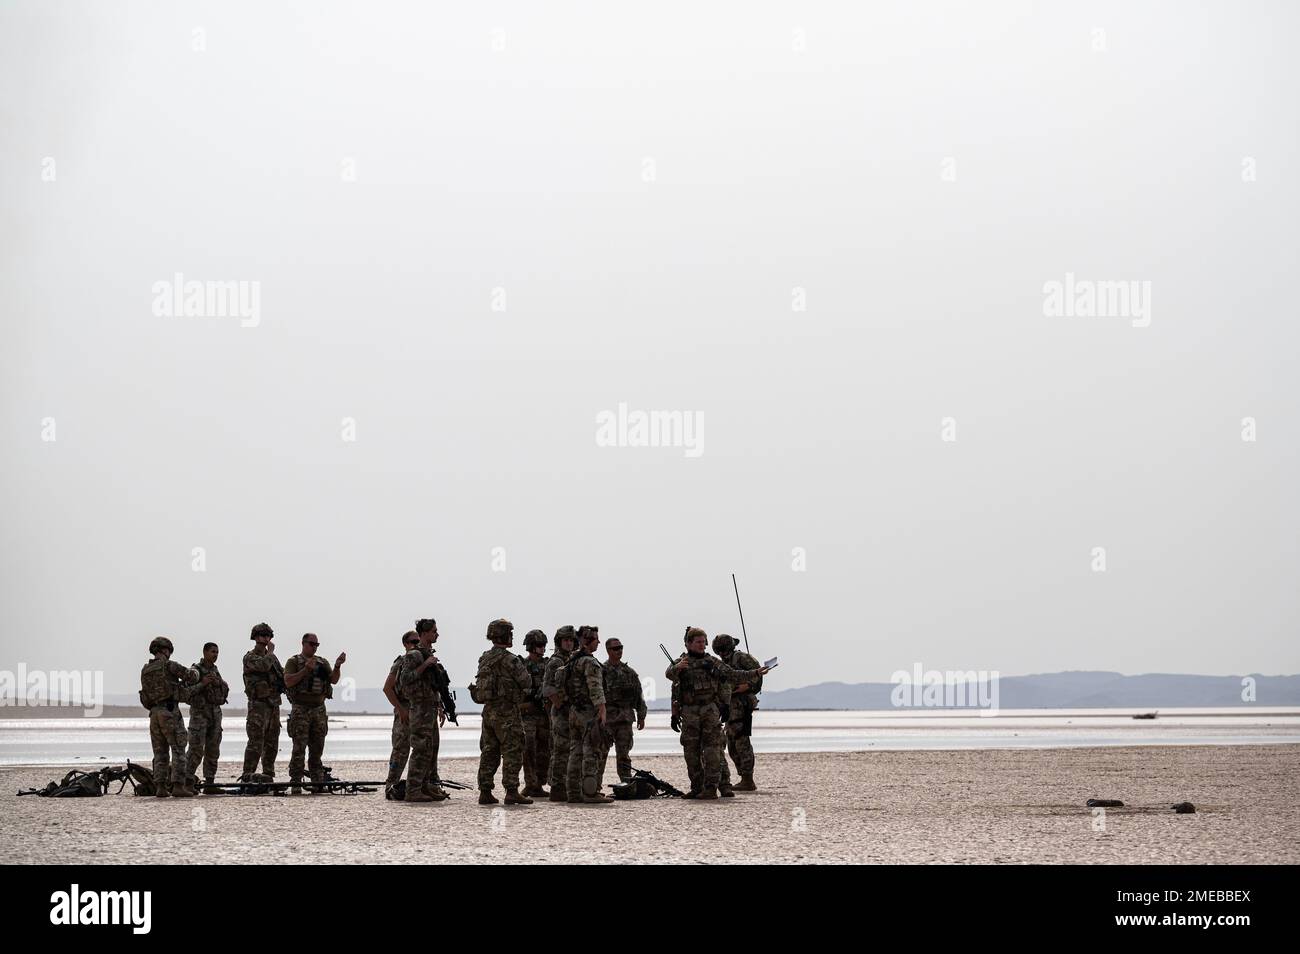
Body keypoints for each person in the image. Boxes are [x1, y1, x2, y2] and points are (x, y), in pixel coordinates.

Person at [665, 627, 770, 800]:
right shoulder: (681, 662)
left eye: (703, 642)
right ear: (688, 644)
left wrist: (755, 673)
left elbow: (731, 675)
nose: (701, 645)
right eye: (698, 642)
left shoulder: (712, 662)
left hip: (709, 711)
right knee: (690, 752)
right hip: (689, 713)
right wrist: (677, 668)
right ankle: (696, 787)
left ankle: (711, 788)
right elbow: (670, 678)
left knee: (712, 751)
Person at [472, 619, 533, 805]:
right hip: (507, 712)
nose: (512, 637)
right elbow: (526, 682)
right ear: (504, 635)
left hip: (488, 711)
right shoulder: (510, 659)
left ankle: (485, 791)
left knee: (489, 751)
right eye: (510, 633)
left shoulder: (485, 658)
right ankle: (512, 790)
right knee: (513, 750)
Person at [283, 633, 346, 793]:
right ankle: (296, 782)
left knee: (317, 748)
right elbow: (288, 681)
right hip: (300, 709)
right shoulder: (294, 661)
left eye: (316, 645)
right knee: (299, 747)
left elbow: (333, 679)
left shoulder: (322, 662)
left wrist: (337, 665)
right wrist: (305, 670)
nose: (314, 647)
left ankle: (317, 782)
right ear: (303, 644)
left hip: (318, 709)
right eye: (312, 644)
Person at [139, 636, 199, 797]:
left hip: (154, 713)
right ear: (166, 650)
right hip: (170, 711)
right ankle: (178, 786)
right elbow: (191, 677)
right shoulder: (170, 666)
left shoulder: (145, 669)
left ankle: (160, 787)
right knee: (178, 748)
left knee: (160, 752)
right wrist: (195, 671)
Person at [399, 620, 449, 802]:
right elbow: (405, 680)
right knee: (420, 749)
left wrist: (440, 707)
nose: (437, 634)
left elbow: (433, 685)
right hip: (419, 708)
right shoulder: (414, 655)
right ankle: (413, 790)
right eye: (434, 631)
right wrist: (425, 665)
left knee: (431, 749)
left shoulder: (428, 654)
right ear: (425, 633)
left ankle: (425, 786)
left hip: (430, 707)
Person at [565, 625, 611, 803]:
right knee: (592, 751)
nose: (599, 642)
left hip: (574, 711)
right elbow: (595, 688)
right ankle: (590, 793)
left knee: (575, 752)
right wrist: (602, 710)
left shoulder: (572, 660)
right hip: (588, 713)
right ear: (587, 641)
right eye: (596, 639)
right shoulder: (589, 662)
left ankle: (573, 792)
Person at [713, 633, 763, 791]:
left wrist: (747, 687)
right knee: (732, 742)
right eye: (719, 651)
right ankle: (744, 776)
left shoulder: (742, 658)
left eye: (723, 650)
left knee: (741, 739)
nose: (721, 653)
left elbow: (758, 675)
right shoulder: (723, 663)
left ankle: (748, 778)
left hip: (742, 704)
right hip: (730, 704)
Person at [598, 638, 646, 785]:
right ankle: (595, 785)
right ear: (608, 651)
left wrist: (641, 716)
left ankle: (626, 783)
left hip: (625, 719)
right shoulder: (601, 671)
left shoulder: (629, 673)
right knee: (600, 753)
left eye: (621, 647)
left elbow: (639, 695)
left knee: (624, 755)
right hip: (607, 719)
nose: (619, 651)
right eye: (615, 648)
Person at [241, 622, 283, 781]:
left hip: (273, 706)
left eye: (269, 636)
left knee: (272, 742)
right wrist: (271, 653)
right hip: (258, 705)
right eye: (264, 636)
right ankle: (247, 774)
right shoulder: (250, 657)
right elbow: (263, 667)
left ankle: (268, 774)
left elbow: (281, 675)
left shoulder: (272, 658)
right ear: (256, 637)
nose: (267, 639)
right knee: (255, 743)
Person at [184, 642, 229, 793]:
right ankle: (187, 781)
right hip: (199, 715)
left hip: (215, 715)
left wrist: (220, 683)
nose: (215, 655)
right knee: (195, 750)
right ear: (204, 652)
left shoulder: (215, 671)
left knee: (213, 749)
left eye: (217, 652)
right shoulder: (195, 671)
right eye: (212, 652)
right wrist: (203, 684)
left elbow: (223, 690)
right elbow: (186, 692)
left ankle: (209, 783)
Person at [541, 625, 577, 802]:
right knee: (561, 750)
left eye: (571, 640)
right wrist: (560, 704)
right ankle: (557, 787)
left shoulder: (572, 658)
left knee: (570, 749)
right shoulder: (556, 661)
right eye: (566, 640)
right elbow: (547, 688)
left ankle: (566, 785)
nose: (569, 643)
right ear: (559, 642)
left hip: (573, 710)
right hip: (562, 711)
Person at [382, 631, 419, 793]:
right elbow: (387, 688)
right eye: (412, 641)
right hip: (404, 709)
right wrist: (400, 709)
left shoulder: (422, 661)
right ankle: (391, 782)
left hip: (421, 709)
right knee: (400, 749)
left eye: (418, 641)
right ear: (405, 644)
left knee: (422, 749)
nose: (415, 645)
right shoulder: (401, 663)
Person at [518, 629, 551, 797]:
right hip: (528, 715)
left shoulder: (548, 666)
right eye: (539, 645)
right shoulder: (522, 665)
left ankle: (539, 784)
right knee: (528, 750)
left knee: (544, 751)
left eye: (544, 645)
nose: (543, 648)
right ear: (531, 646)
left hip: (544, 715)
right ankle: (530, 784)